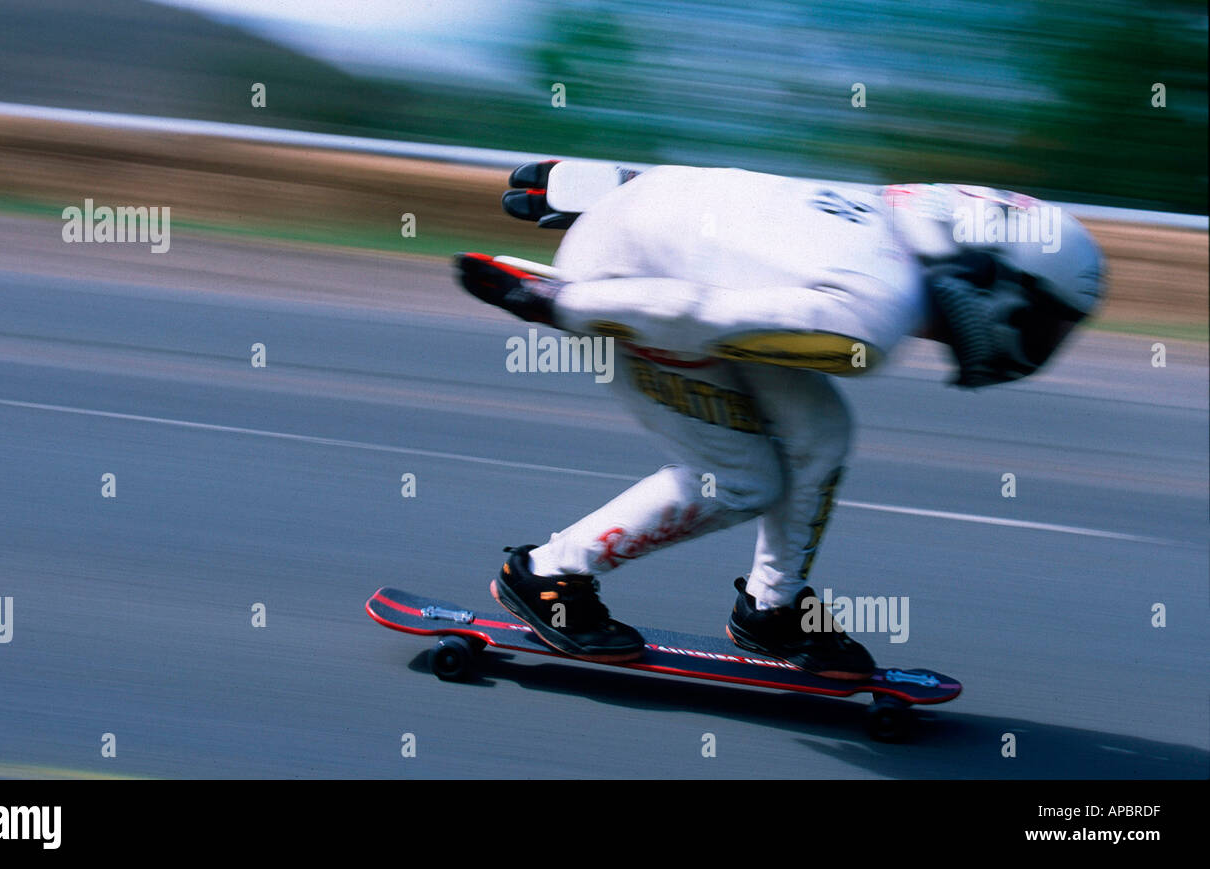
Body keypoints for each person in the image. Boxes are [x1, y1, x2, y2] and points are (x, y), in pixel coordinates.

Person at [455, 167, 1105, 679]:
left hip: (663, 254)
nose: (1036, 346)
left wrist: (602, 186)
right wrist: (560, 301)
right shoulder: (873, 312)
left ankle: (772, 607)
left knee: (822, 435)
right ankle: (548, 575)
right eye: (1041, 324)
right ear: (992, 279)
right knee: (739, 481)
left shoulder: (883, 219)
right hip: (634, 287)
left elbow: (742, 202)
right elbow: (698, 316)